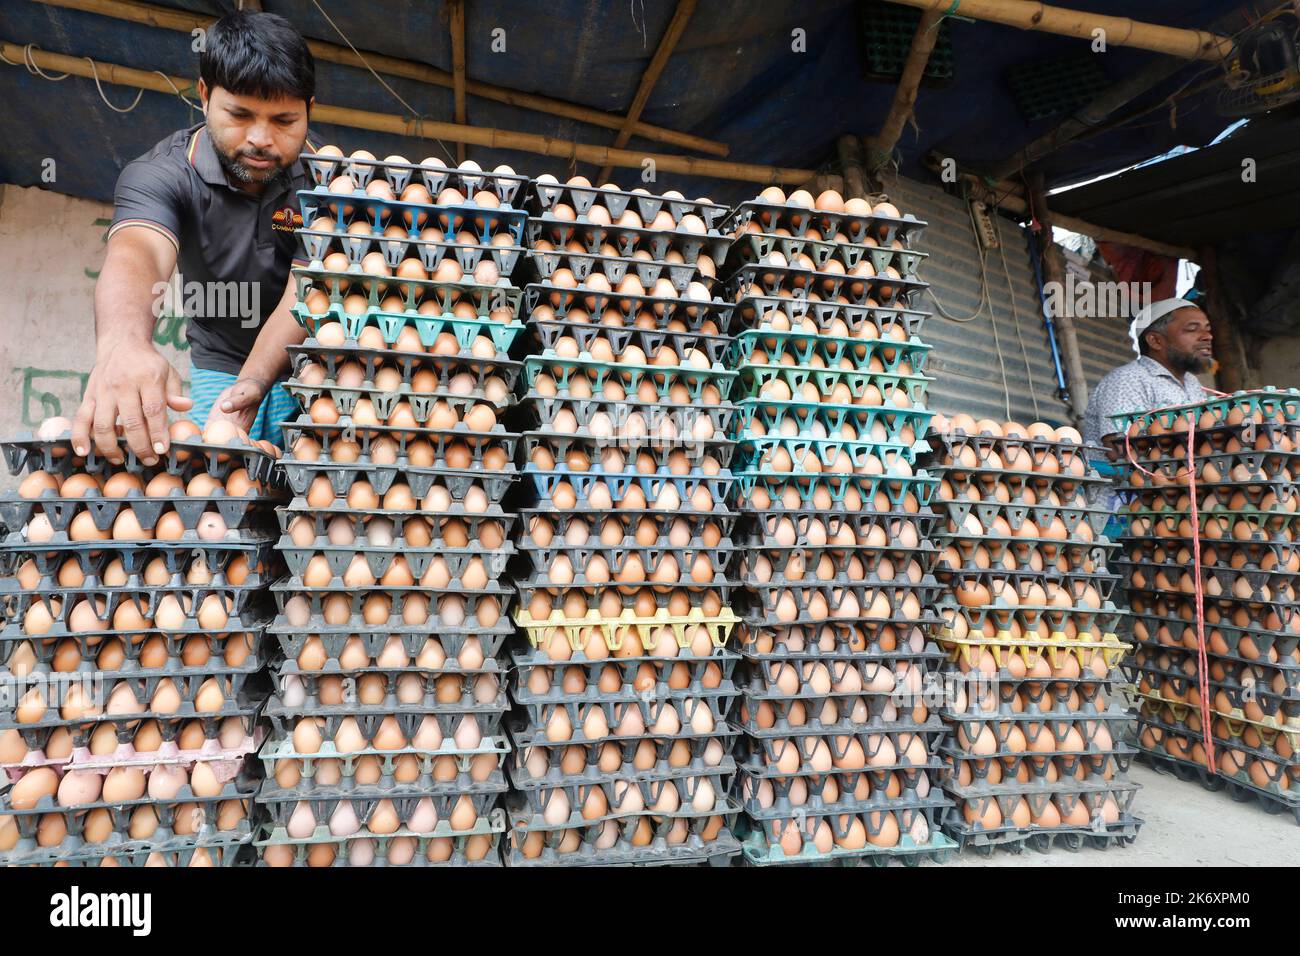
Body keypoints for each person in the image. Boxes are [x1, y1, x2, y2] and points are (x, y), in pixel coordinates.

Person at [71, 11, 316, 463]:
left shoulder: (327, 184)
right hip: (217, 362)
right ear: (205, 96)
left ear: (309, 110)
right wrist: (123, 343)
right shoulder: (164, 173)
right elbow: (137, 250)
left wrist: (259, 378)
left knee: (304, 497)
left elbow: (307, 286)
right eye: (240, 114)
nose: (261, 139)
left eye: (283, 120)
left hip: (308, 365)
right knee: (215, 483)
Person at [1082, 297, 1215, 452]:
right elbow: (1120, 451)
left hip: (1184, 474)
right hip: (1127, 476)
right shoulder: (1128, 380)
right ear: (1155, 341)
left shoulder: (1192, 382)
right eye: (1192, 329)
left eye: (1207, 329)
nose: (1208, 336)